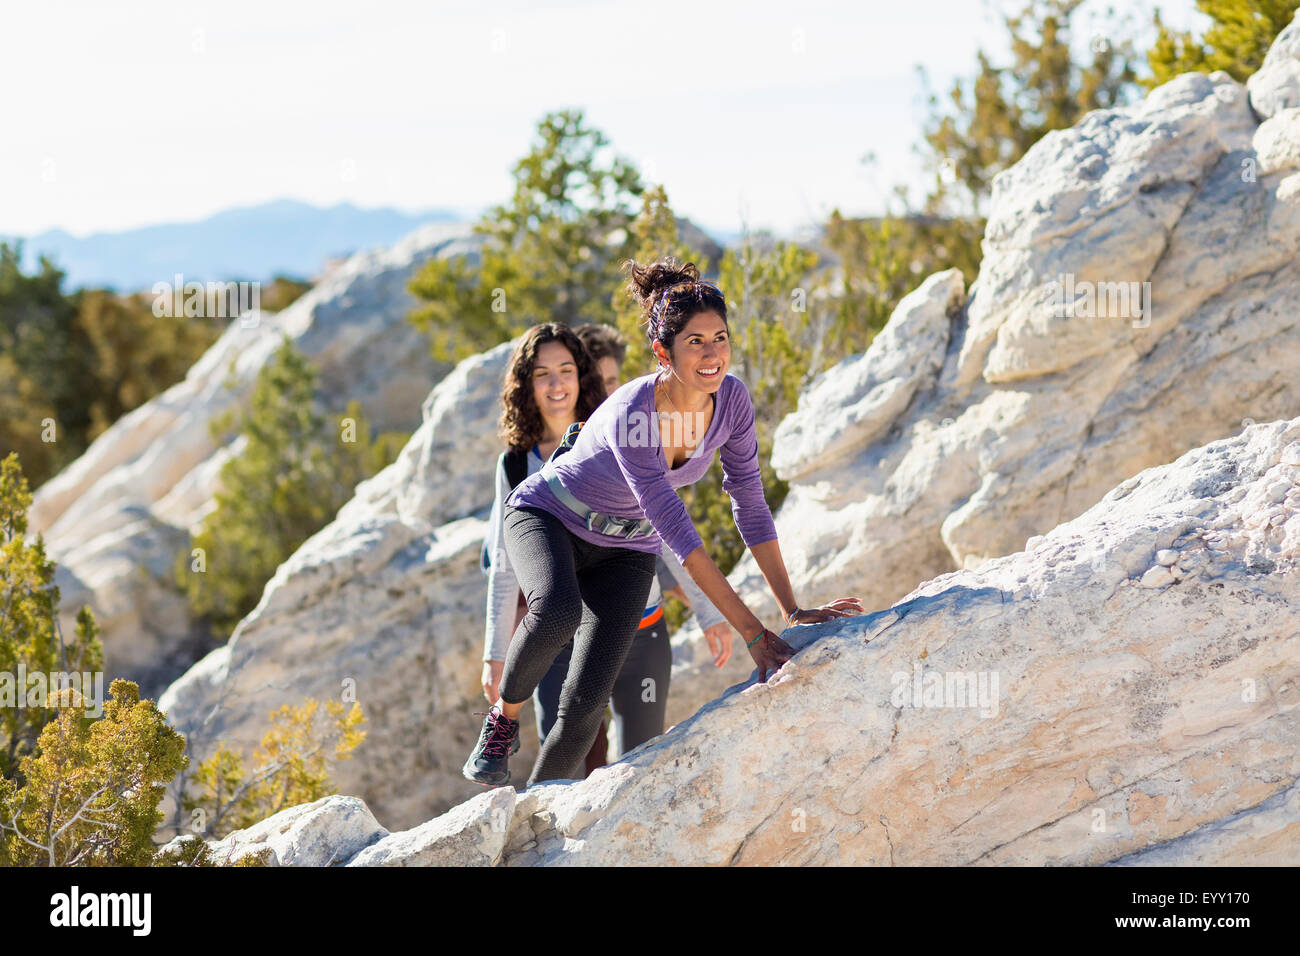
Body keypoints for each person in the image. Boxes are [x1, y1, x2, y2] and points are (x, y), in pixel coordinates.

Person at [463, 258, 865, 788]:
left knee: (584, 714)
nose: (712, 353)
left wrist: (790, 609)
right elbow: (681, 534)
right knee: (557, 611)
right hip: (546, 515)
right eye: (695, 341)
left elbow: (749, 502)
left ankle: (536, 817)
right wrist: (753, 634)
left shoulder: (734, 402)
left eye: (720, 337)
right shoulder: (635, 412)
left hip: (625, 548)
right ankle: (502, 724)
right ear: (663, 352)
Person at [478, 323, 730, 780]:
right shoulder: (517, 464)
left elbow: (667, 526)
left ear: (583, 377)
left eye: (566, 370)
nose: (556, 384)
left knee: (639, 762)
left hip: (640, 626)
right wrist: (495, 654)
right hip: (556, 639)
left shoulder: (621, 434)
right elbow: (503, 564)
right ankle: (541, 835)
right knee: (570, 757)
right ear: (525, 384)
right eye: (542, 373)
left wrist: (708, 611)